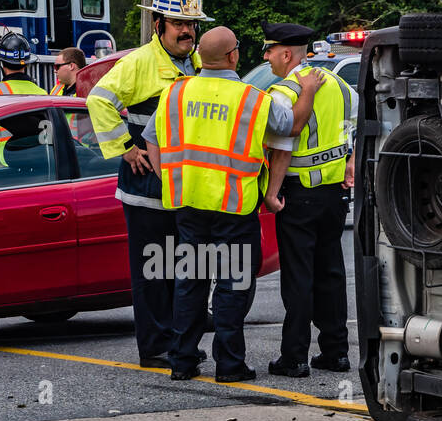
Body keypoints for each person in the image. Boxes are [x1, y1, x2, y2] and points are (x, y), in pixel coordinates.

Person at [144, 26, 324, 382]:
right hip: (233, 208)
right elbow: (292, 127)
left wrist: (167, 176)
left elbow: (151, 140)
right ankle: (229, 365)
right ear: (233, 56)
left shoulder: (175, 93)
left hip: (188, 204)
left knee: (190, 280)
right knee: (231, 285)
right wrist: (308, 90)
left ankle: (182, 361)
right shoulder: (252, 99)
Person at [86, 0, 211, 368]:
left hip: (182, 186)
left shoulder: (198, 63)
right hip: (146, 189)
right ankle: (155, 347)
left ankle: (178, 343)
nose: (188, 31)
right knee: (154, 272)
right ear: (159, 25)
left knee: (181, 269)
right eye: (180, 24)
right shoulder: (140, 62)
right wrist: (126, 148)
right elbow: (98, 99)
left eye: (192, 24)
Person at [260, 21, 359, 378]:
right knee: (330, 273)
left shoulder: (284, 92)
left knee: (298, 278)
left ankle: (295, 357)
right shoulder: (337, 82)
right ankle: (336, 352)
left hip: (298, 195)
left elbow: (282, 146)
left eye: (269, 50)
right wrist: (349, 161)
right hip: (334, 196)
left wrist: (270, 193)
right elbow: (354, 123)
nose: (267, 57)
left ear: (287, 54)